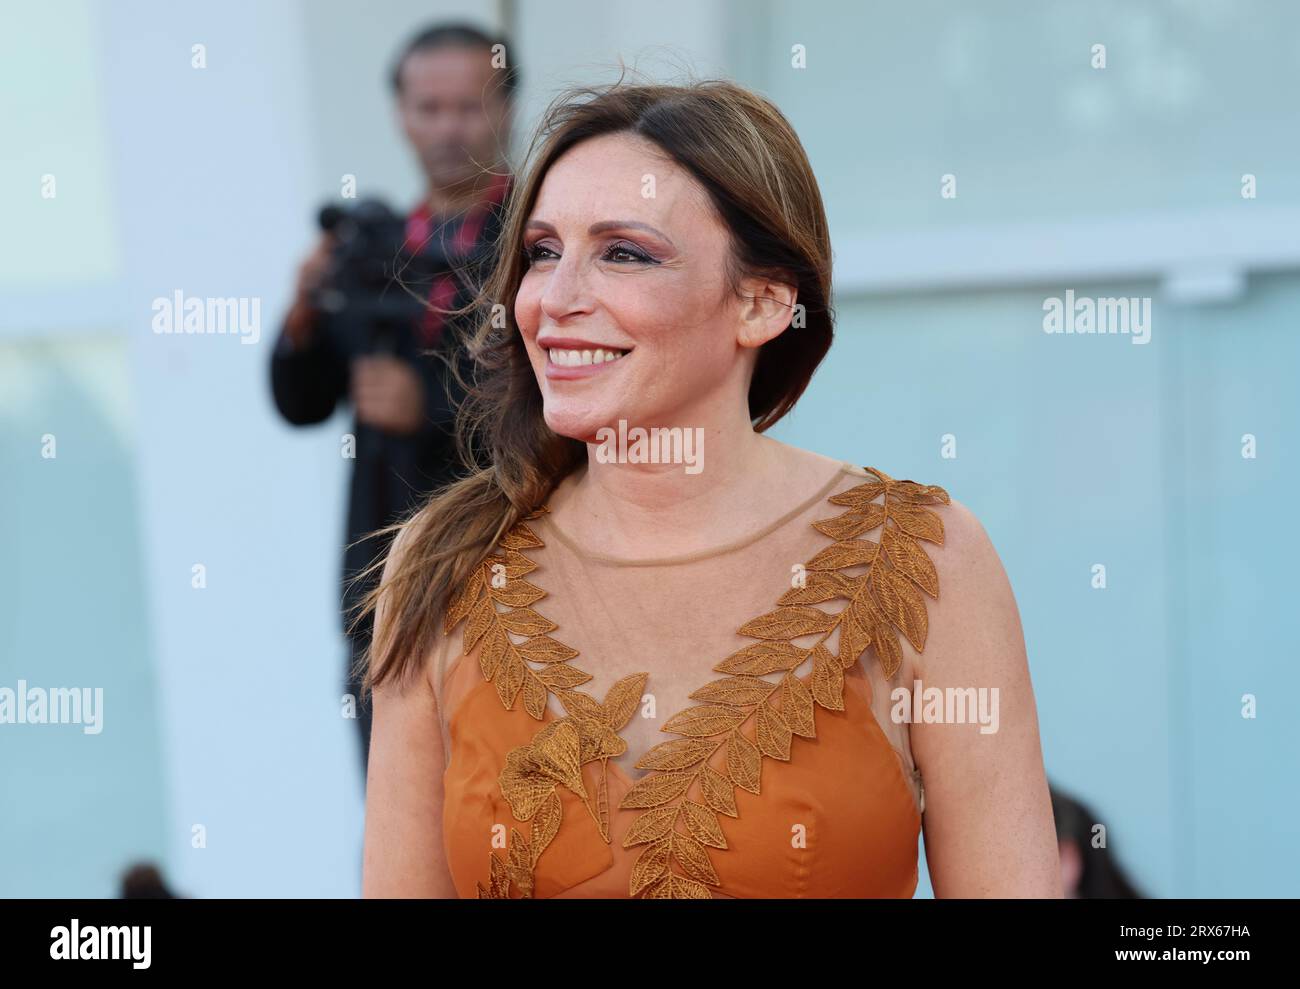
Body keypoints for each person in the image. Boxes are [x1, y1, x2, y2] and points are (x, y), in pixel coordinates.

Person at [357, 77, 1062, 898]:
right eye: (544, 251)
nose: (555, 298)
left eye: (623, 252)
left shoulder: (924, 556)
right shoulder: (446, 564)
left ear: (763, 301)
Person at [269, 23, 516, 777]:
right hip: (379, 578)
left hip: (500, 573)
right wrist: (303, 313)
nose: (447, 128)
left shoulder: (537, 240)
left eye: (468, 107)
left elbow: (565, 409)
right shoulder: (380, 246)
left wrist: (433, 406)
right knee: (394, 822)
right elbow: (300, 400)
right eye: (429, 107)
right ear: (401, 114)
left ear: (506, 106)